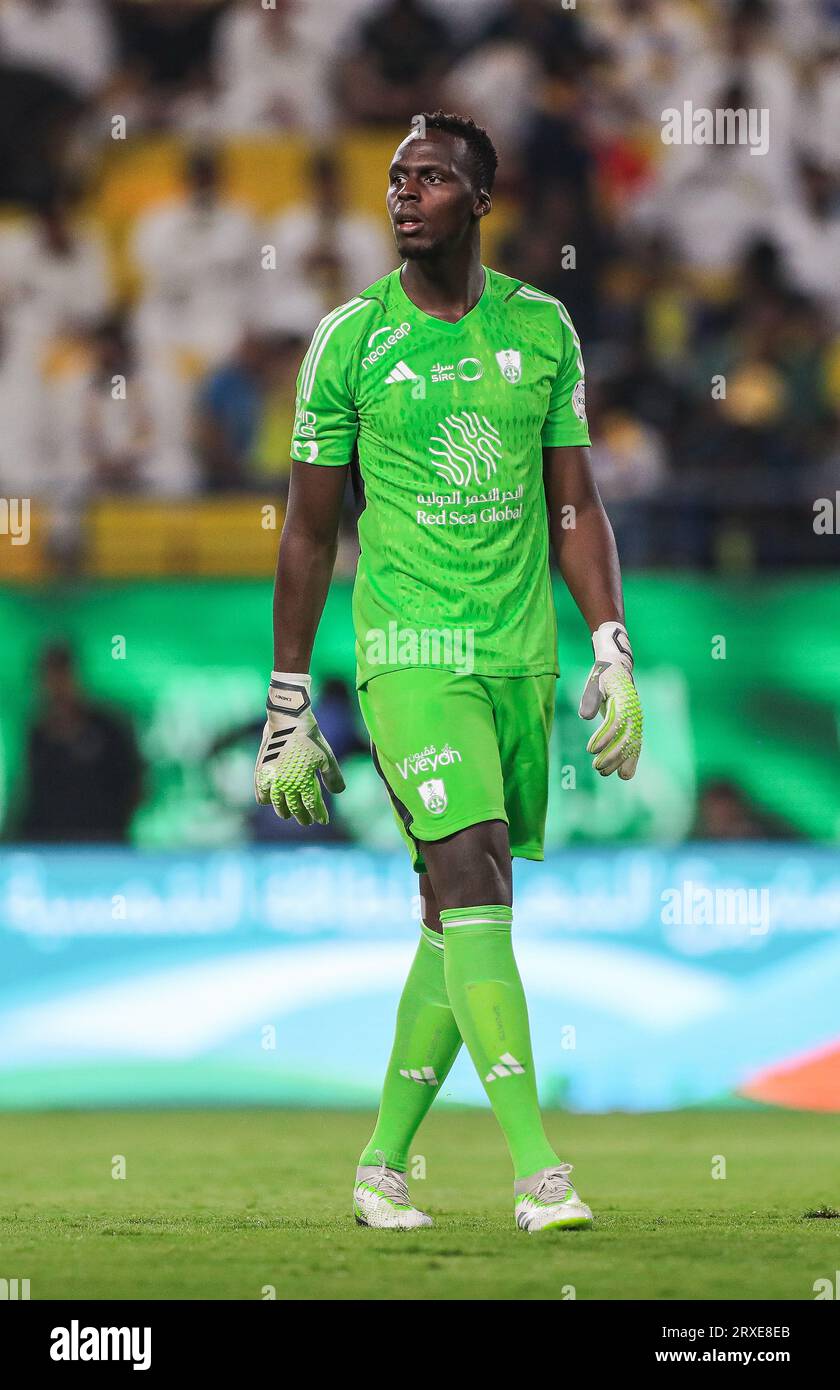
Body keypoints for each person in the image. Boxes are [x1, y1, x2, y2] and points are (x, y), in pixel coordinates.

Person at [254, 111, 644, 1234]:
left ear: (482, 199)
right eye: (395, 177)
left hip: (518, 660)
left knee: (455, 907)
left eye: (431, 177)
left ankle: (381, 1168)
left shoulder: (544, 328)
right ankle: (538, 1172)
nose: (405, 193)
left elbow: (575, 504)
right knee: (472, 869)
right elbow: (308, 535)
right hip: (410, 658)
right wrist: (288, 701)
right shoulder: (349, 341)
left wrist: (612, 644)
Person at [19, 642, 143, 843]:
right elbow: (33, 799)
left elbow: (135, 786)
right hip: (50, 848)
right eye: (49, 678)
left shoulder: (109, 728)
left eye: (62, 676)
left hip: (104, 845)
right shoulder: (38, 734)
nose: (56, 687)